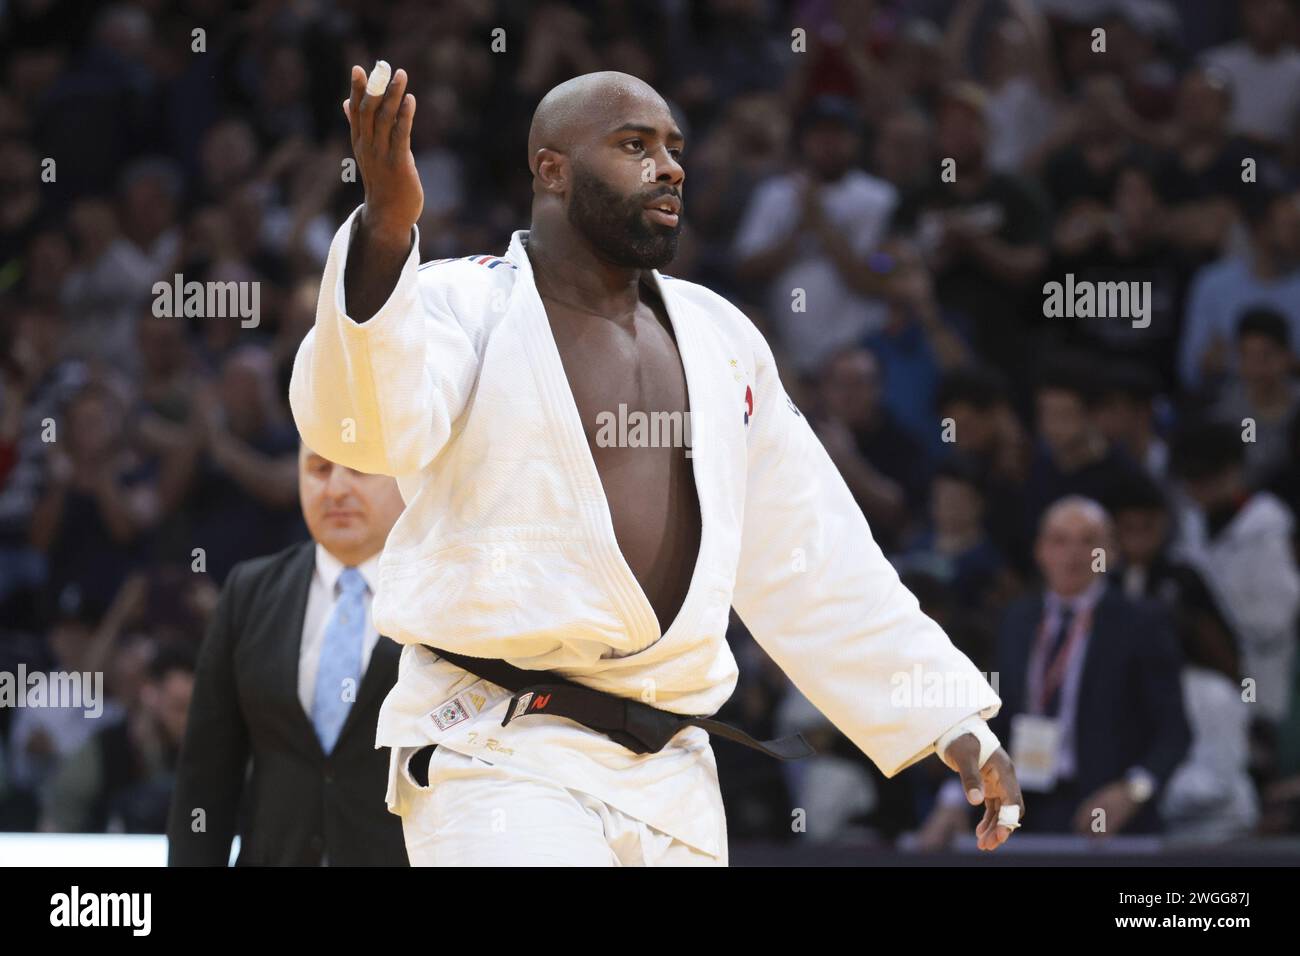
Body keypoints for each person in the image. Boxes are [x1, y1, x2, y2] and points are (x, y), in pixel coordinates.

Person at [290, 66, 1023, 866]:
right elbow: (363, 432)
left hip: (672, 771)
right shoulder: (466, 304)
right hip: (496, 752)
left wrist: (949, 718)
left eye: (674, 147)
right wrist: (387, 233)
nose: (669, 166)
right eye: (634, 146)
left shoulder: (722, 339)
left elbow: (810, 555)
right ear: (553, 170)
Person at [167, 443, 408, 866]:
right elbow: (205, 777)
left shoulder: (446, 600)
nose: (335, 489)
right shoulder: (249, 591)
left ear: (407, 475)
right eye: (318, 468)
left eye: (358, 469)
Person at [989, 496, 1190, 836]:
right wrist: (955, 794)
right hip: (1024, 803)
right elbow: (992, 715)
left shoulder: (1141, 623)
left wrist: (1132, 791)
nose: (1074, 554)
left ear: (1110, 553)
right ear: (1040, 551)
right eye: (1059, 540)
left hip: (1105, 807)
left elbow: (1175, 731)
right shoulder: (1016, 620)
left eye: (1088, 541)